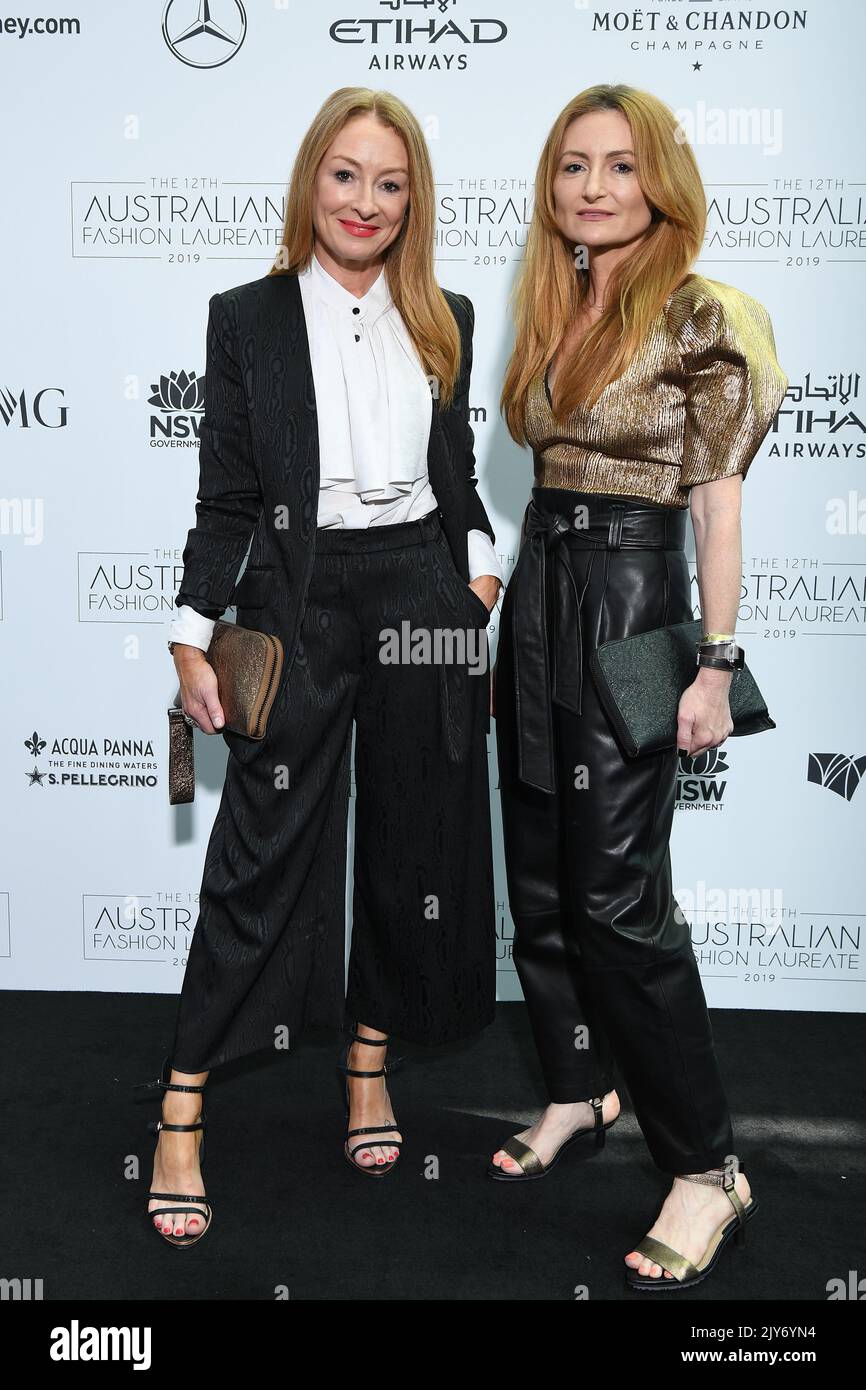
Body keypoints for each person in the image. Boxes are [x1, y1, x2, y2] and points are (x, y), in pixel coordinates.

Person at [137, 87, 502, 1246]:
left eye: (390, 183)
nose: (366, 201)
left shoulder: (445, 312)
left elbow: (460, 479)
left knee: (413, 841)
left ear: (413, 199)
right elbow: (228, 496)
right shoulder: (244, 318)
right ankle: (182, 1105)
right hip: (296, 600)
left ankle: (366, 1065)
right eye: (345, 175)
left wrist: (476, 584)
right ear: (311, 181)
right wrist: (192, 632)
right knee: (259, 855)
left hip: (420, 595)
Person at [489, 84, 788, 1291]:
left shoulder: (703, 315)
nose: (593, 186)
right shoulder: (553, 302)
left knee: (617, 902)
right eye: (572, 165)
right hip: (539, 600)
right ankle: (576, 1083)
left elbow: (715, 510)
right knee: (539, 879)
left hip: (633, 606)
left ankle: (707, 1166)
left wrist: (713, 662)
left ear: (658, 181)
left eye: (618, 165)